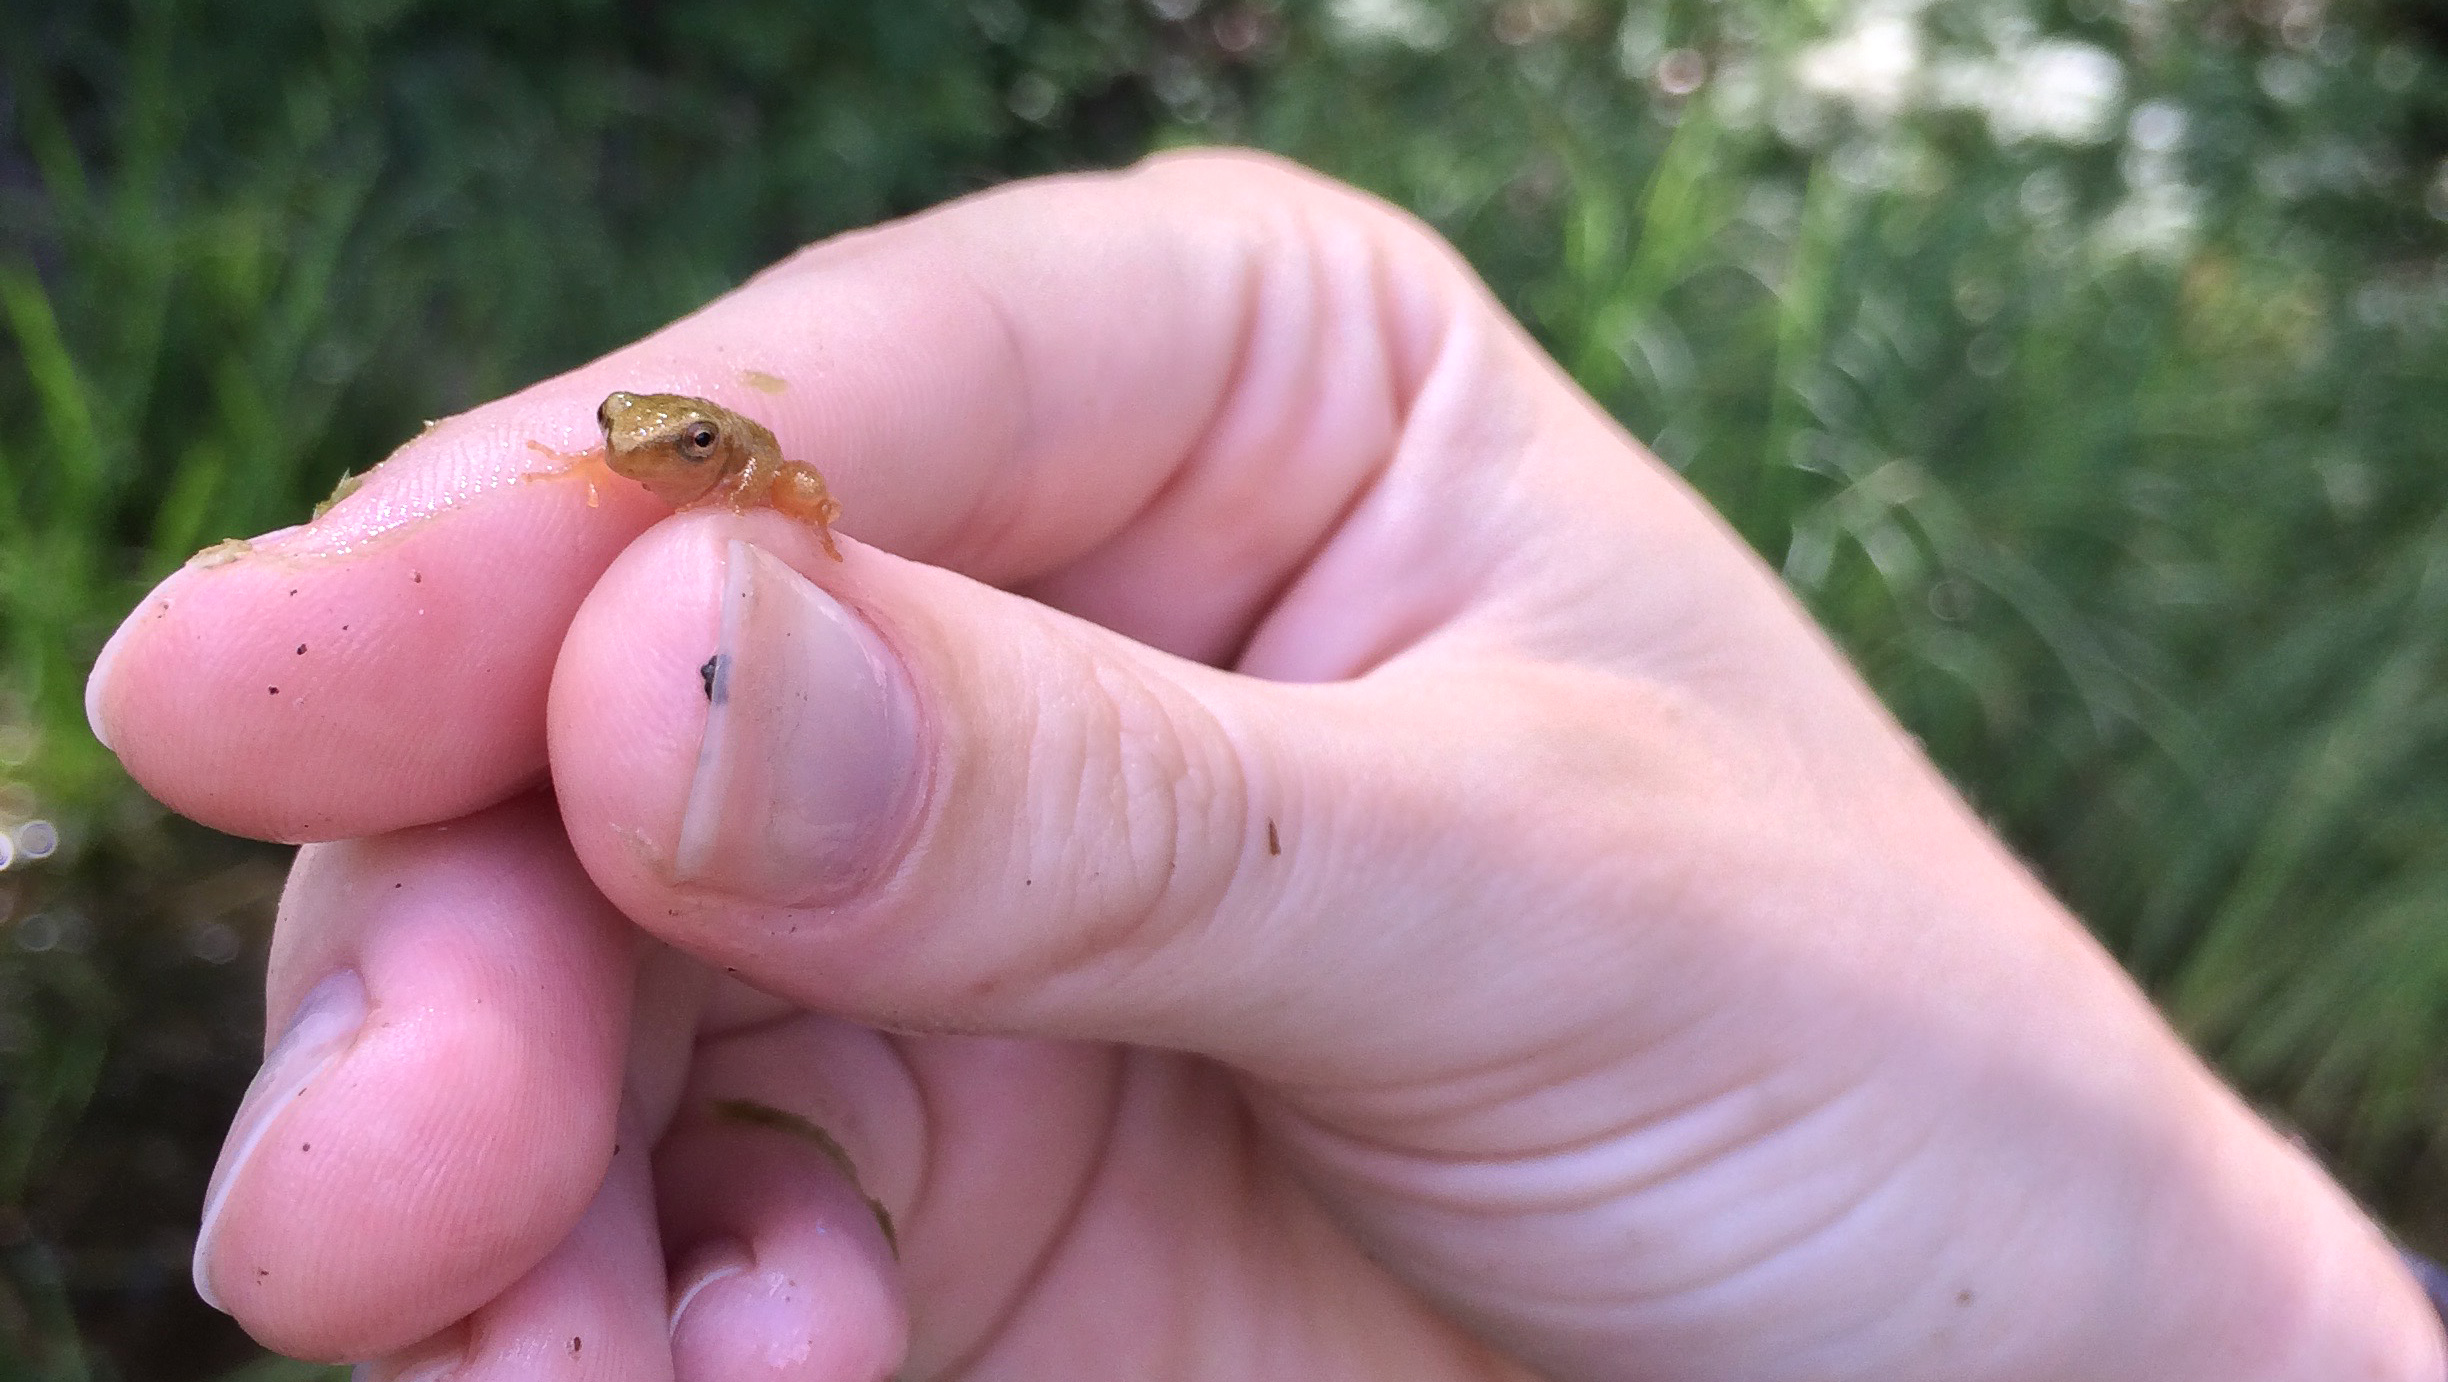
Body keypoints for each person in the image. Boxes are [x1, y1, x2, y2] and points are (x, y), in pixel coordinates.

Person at [85, 151, 2445, 1381]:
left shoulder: (781, 526)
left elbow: (774, 493)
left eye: (678, 439)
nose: (657, 449)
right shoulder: (661, 490)